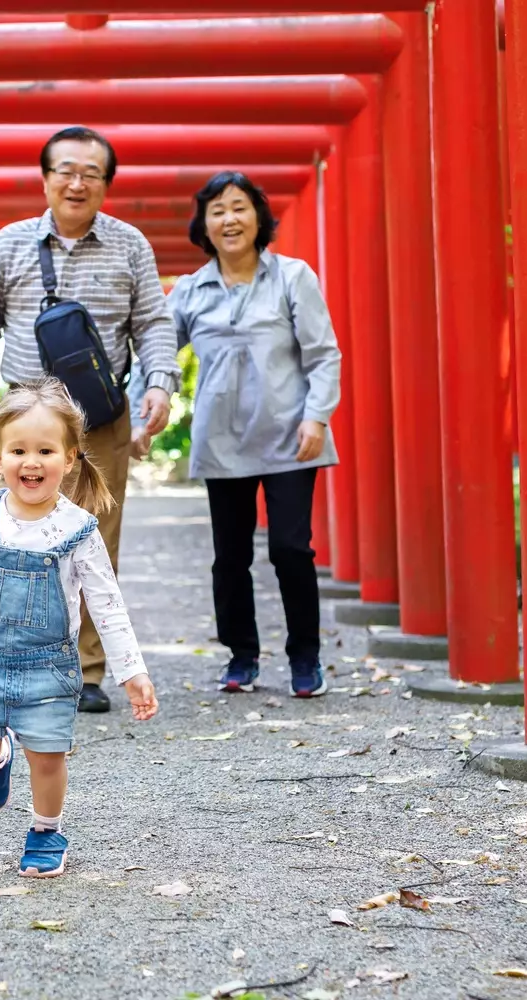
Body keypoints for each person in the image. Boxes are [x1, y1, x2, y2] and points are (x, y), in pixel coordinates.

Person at [0, 126, 182, 715]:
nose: (77, 183)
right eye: (66, 171)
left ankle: (89, 670)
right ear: (45, 177)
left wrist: (160, 384)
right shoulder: (11, 243)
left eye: (91, 174)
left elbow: (152, 323)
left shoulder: (129, 245)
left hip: (100, 419)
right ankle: (12, 662)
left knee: (96, 542)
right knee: (12, 542)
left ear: (106, 185)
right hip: (25, 423)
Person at [0, 380, 160, 878]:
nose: (31, 462)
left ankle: (46, 830)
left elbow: (107, 606)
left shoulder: (79, 529)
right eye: (19, 450)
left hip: (49, 669)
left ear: (70, 458)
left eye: (45, 450)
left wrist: (132, 671)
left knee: (47, 757)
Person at [168, 171, 342, 699]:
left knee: (291, 549)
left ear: (259, 217)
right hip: (221, 440)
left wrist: (317, 415)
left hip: (291, 435)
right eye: (217, 210)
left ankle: (305, 657)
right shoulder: (190, 290)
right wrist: (151, 402)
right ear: (204, 224)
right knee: (230, 556)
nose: (229, 219)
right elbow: (162, 357)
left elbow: (323, 353)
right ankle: (241, 655)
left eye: (239, 207)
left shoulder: (293, 276)